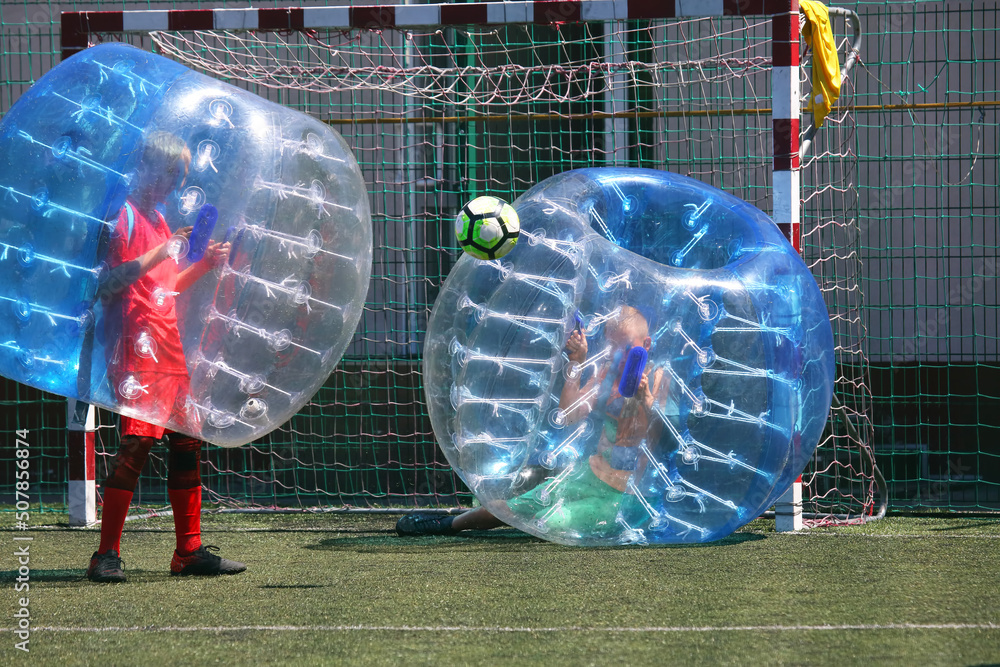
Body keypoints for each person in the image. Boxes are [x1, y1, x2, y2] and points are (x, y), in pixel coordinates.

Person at [86, 131, 244, 583]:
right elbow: (109, 282)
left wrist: (205, 264)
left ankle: (188, 552)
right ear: (149, 167)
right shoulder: (125, 218)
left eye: (180, 177)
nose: (175, 185)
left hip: (170, 348)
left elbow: (166, 288)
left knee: (186, 444)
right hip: (138, 348)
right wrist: (164, 249)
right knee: (137, 444)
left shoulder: (157, 218)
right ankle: (106, 555)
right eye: (171, 174)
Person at [397, 305, 665, 537]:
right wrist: (577, 362)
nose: (619, 355)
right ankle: (449, 524)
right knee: (509, 509)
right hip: (588, 477)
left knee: (548, 521)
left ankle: (456, 521)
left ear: (647, 345)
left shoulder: (657, 378)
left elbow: (662, 435)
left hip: (625, 496)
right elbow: (568, 415)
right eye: (613, 347)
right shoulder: (606, 374)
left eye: (627, 347)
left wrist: (645, 401)